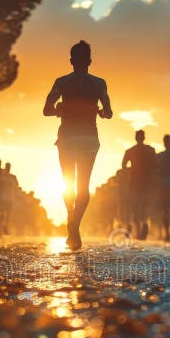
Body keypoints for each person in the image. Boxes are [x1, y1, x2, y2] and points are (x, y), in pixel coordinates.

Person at [43, 40, 113, 250]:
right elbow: (108, 112)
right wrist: (100, 112)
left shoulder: (61, 82)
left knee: (68, 182)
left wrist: (60, 109)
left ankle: (70, 217)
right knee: (83, 185)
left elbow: (46, 109)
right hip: (89, 139)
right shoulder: (100, 83)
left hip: (67, 137)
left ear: (71, 60)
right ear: (90, 61)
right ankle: (76, 225)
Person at [121, 130, 157, 240]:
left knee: (135, 206)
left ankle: (138, 229)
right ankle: (144, 225)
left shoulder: (130, 151)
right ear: (144, 138)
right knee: (145, 206)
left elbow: (123, 166)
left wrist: (131, 170)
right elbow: (156, 165)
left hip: (134, 182)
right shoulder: (151, 150)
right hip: (147, 182)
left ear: (136, 138)